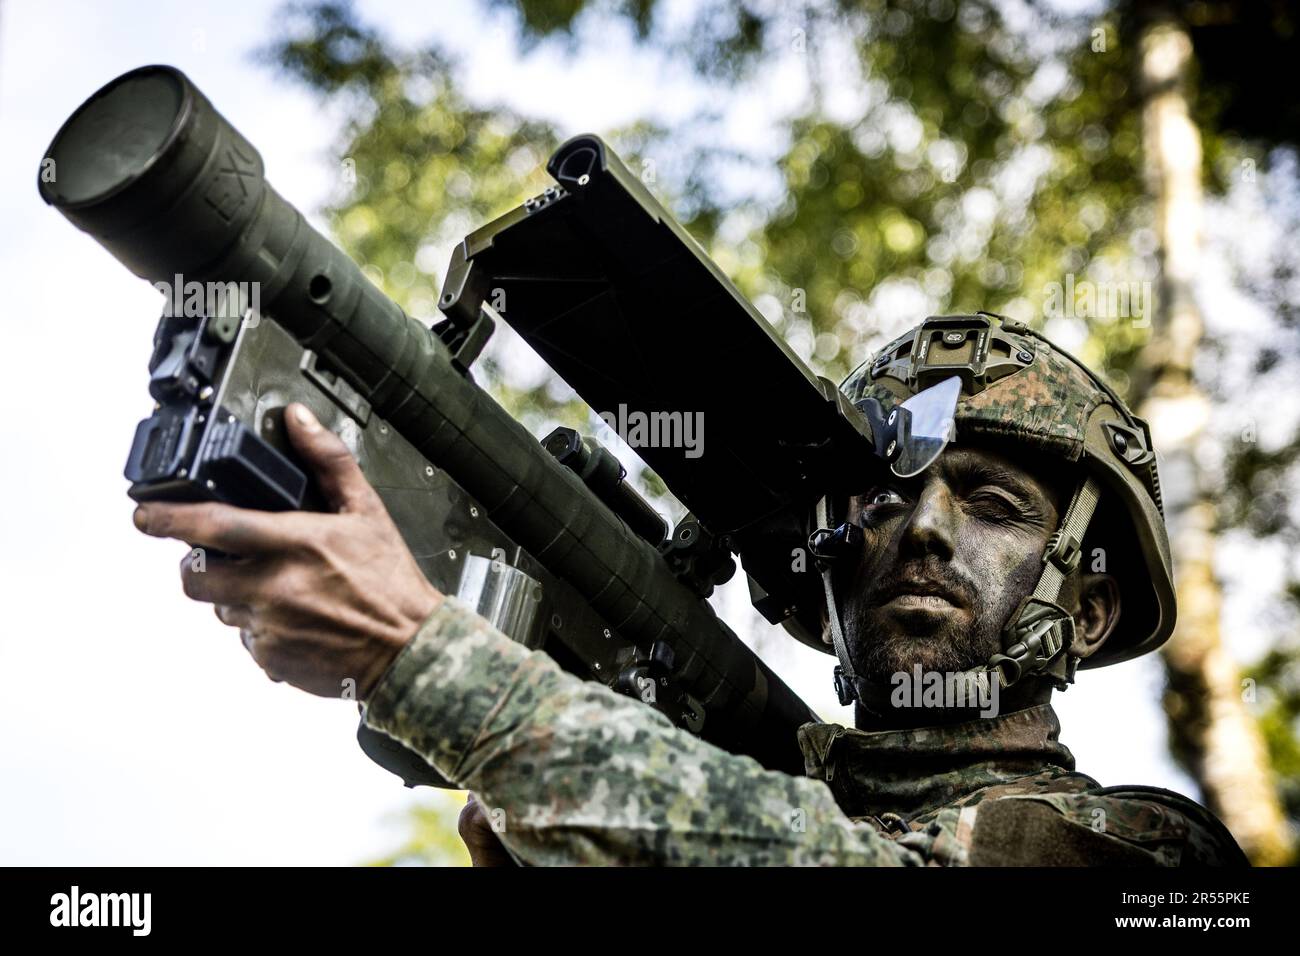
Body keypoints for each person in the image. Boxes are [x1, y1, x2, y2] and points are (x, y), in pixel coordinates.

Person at [132, 314, 1248, 866]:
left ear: (1086, 608)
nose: (923, 531)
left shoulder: (1148, 853)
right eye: (883, 498)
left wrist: (427, 661)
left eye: (993, 504)